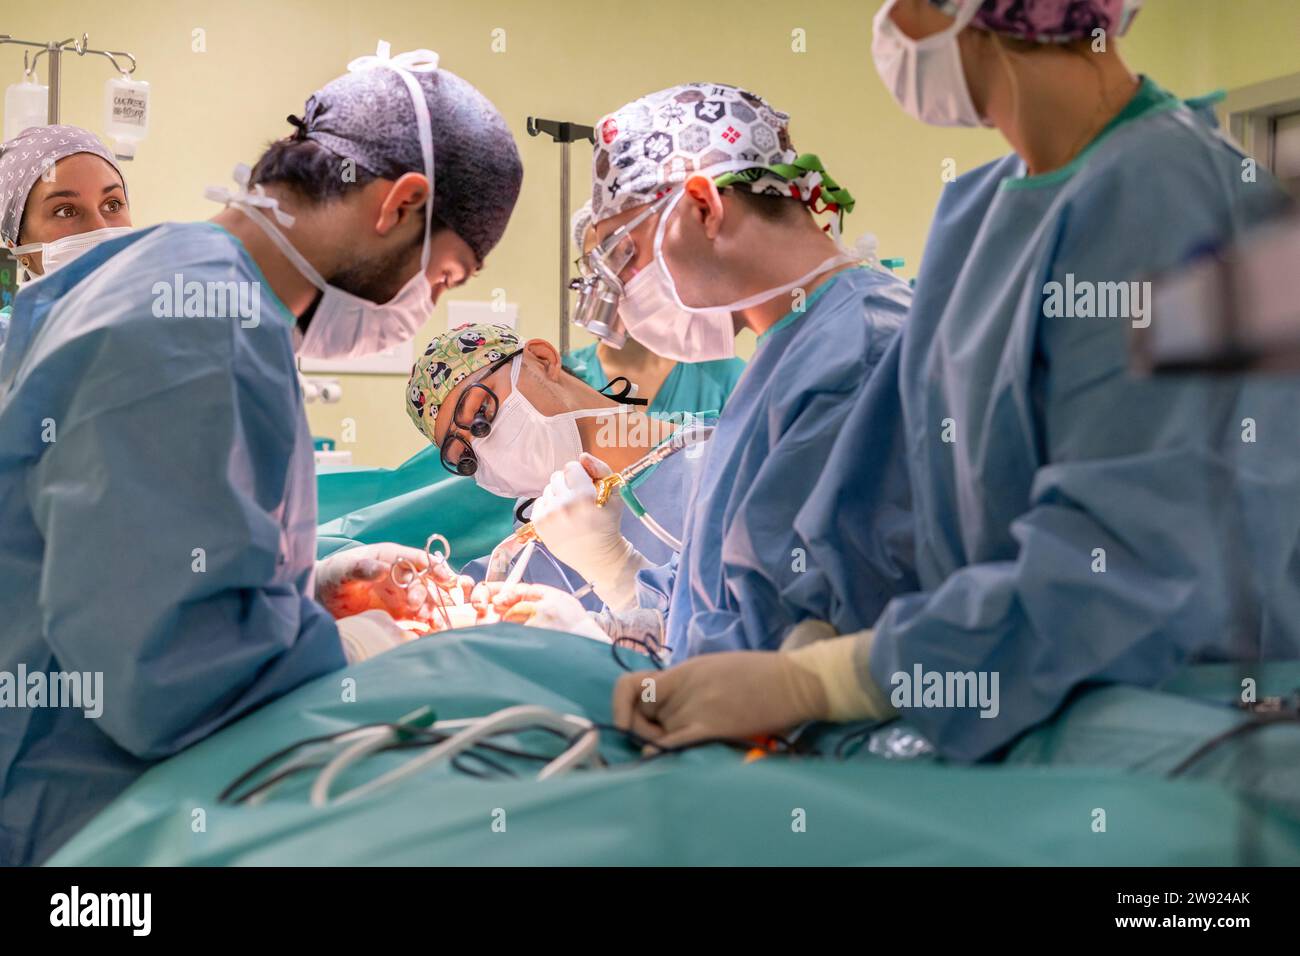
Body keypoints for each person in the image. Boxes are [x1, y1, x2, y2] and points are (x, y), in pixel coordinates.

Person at [612, 0, 1300, 758]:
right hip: (998, 721)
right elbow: (910, 528)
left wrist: (829, 679)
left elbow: (1124, 564)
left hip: (1166, 740)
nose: (889, 22)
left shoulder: (1170, 195)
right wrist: (821, 632)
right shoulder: (982, 215)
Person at [0, 45, 523, 865]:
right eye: (444, 275)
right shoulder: (193, 329)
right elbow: (161, 674)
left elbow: (137, 555)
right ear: (402, 203)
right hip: (75, 821)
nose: (429, 306)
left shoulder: (188, 281)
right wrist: (347, 653)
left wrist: (294, 593)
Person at [533, 82, 914, 657]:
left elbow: (835, 620)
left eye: (625, 253)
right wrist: (631, 612)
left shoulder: (862, 349)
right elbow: (727, 580)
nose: (625, 294)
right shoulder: (790, 348)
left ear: (705, 207)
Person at [406, 321, 702, 625]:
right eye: (467, 457)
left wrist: (615, 570)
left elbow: (733, 629)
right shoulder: (535, 549)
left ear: (542, 359)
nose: (487, 447)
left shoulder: (717, 460)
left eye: (482, 413)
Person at [565, 201, 747, 416]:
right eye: (596, 264)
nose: (611, 277)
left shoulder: (727, 378)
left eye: (623, 256)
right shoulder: (566, 375)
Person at [0, 125, 133, 354]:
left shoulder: (164, 316)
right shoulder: (9, 342)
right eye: (65, 211)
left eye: (112, 204)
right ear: (18, 248)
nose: (99, 228)